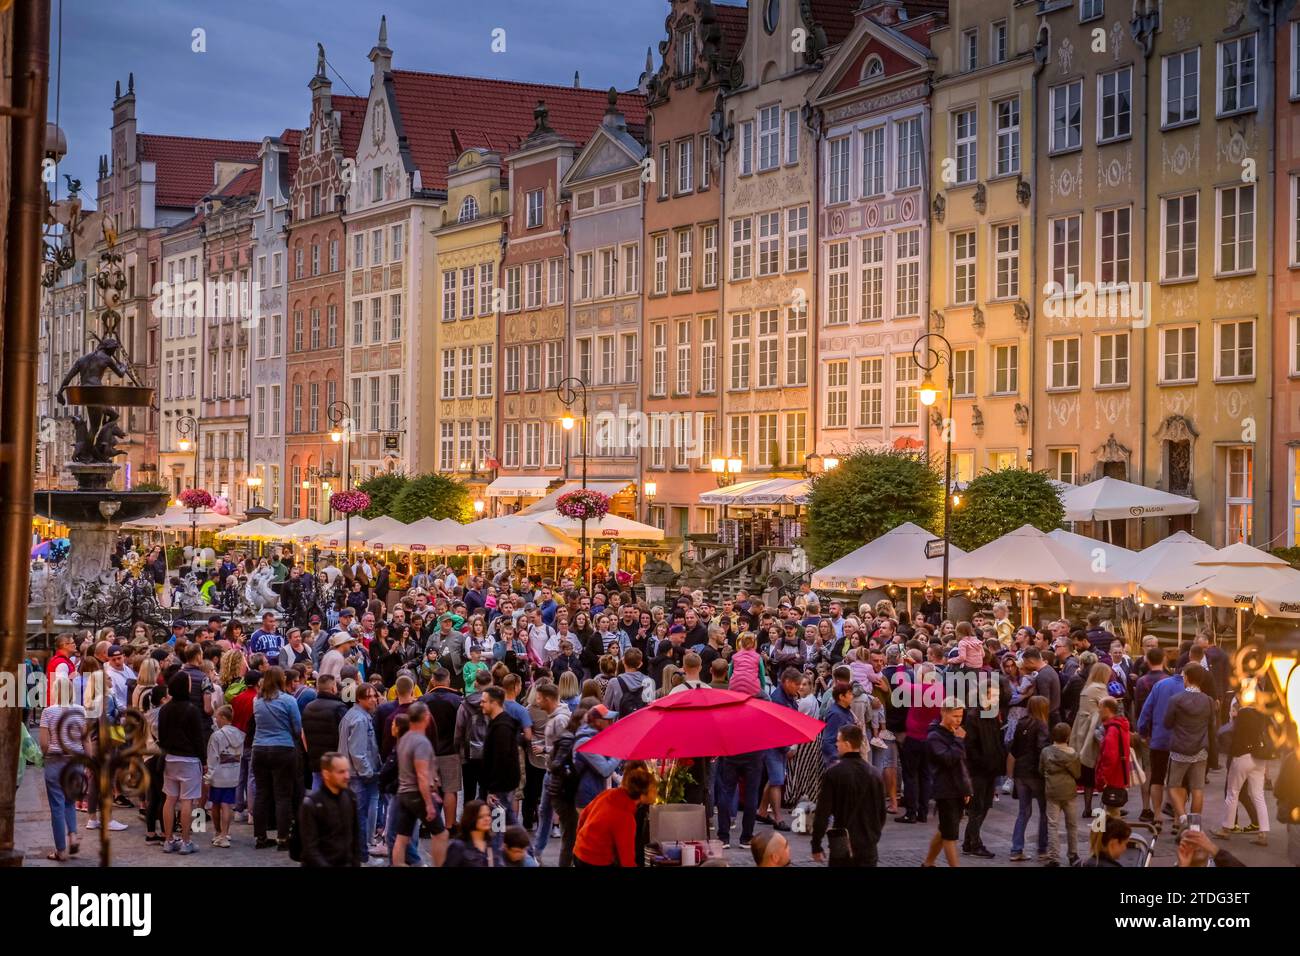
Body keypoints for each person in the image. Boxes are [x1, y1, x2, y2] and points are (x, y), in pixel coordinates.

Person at [810, 724, 886, 866]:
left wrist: (816, 844)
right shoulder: (875, 774)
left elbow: (822, 813)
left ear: (847, 744)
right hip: (868, 844)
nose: (836, 744)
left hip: (842, 842)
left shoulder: (834, 773)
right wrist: (873, 836)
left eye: (838, 741)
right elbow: (881, 813)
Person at [251, 666, 304, 851]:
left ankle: (260, 836)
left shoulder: (256, 701)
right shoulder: (289, 701)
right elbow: (297, 728)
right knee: (283, 795)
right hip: (283, 747)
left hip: (259, 748)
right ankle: (283, 837)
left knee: (262, 794)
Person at [1163, 663, 1218, 835]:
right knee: (1197, 789)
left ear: (1186, 677)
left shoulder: (1176, 700)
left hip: (1179, 750)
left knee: (1173, 785)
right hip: (1200, 750)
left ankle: (1182, 818)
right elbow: (1212, 724)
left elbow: (1167, 723)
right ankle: (1194, 827)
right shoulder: (1208, 701)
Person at [392, 702, 447, 867]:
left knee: (402, 837)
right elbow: (422, 775)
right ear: (426, 717)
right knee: (441, 834)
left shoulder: (404, 738)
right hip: (417, 794)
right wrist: (429, 803)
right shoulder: (421, 742)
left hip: (403, 793)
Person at [158, 671, 207, 855]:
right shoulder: (191, 709)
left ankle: (168, 839)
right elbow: (198, 737)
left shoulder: (165, 709)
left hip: (170, 757)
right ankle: (186, 841)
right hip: (189, 758)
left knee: (170, 799)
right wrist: (204, 760)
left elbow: (162, 736)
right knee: (188, 800)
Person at [573, 762, 657, 867]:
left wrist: (580, 842)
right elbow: (627, 861)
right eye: (653, 789)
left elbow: (583, 817)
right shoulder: (626, 817)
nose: (655, 793)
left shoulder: (609, 793)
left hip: (579, 851)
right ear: (643, 794)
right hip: (595, 860)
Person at [38, 676, 84, 861]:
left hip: (55, 761)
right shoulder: (81, 711)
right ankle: (72, 835)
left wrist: (48, 753)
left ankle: (61, 851)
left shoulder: (48, 712)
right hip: (76, 761)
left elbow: (43, 743)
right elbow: (85, 739)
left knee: (57, 805)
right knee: (70, 802)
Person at [1215, 699, 1272, 846]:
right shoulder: (1262, 713)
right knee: (1258, 795)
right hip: (1260, 757)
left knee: (1233, 792)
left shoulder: (1243, 713)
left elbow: (1229, 732)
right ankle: (1263, 833)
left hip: (1242, 756)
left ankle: (1226, 829)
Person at [923, 701, 971, 868]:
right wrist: (958, 741)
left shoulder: (954, 733)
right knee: (950, 835)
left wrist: (966, 788)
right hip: (945, 789)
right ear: (944, 712)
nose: (958, 720)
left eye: (960, 716)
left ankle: (928, 863)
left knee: (946, 829)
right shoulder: (935, 736)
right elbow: (948, 759)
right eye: (955, 716)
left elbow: (962, 765)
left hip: (957, 788)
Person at [339, 682, 382, 859]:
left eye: (374, 696)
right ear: (359, 699)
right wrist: (368, 772)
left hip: (357, 773)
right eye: (369, 697)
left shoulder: (355, 715)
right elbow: (358, 752)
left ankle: (362, 848)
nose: (373, 700)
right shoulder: (360, 719)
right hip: (360, 775)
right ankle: (362, 853)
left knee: (361, 814)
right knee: (361, 815)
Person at [298, 752, 361, 867]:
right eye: (341, 772)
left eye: (347, 770)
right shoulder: (312, 804)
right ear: (326, 774)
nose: (347, 776)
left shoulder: (350, 797)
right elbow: (310, 849)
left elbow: (355, 839)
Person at [480, 685, 522, 856]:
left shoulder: (501, 728)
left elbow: (501, 760)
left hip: (500, 789)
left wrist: (492, 790)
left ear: (494, 703)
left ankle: (497, 858)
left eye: (484, 702)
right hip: (502, 787)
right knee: (509, 821)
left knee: (498, 828)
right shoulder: (499, 724)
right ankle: (529, 854)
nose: (481, 704)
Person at [1009, 696, 1050, 861]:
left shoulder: (1021, 722)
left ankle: (1016, 849)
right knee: (1044, 811)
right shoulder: (1042, 725)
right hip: (1035, 773)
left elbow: (1014, 748)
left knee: (1023, 811)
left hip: (1021, 772)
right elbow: (1042, 749)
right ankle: (1042, 848)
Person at [1040, 722, 1082, 866]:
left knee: (1053, 825)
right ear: (1068, 736)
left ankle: (1054, 858)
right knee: (1072, 825)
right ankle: (1073, 854)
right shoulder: (1073, 754)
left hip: (1052, 791)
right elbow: (1077, 774)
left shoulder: (1046, 752)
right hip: (1069, 792)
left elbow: (1041, 769)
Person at [301, 673, 348, 790]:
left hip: (315, 758)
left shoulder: (308, 707)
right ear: (333, 688)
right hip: (335, 758)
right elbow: (346, 734)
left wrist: (309, 753)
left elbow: (303, 735)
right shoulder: (339, 707)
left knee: (317, 784)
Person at [205, 705, 243, 849]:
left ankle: (218, 833)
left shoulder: (217, 735)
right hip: (233, 773)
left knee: (215, 804)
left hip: (218, 775)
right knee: (227, 804)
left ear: (223, 717)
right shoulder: (239, 734)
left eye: (217, 717)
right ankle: (225, 833)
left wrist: (208, 777)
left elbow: (212, 757)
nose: (216, 720)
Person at [445, 799, 493, 867]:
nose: (487, 819)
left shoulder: (492, 844)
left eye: (488, 815)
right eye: (481, 817)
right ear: (471, 818)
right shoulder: (458, 847)